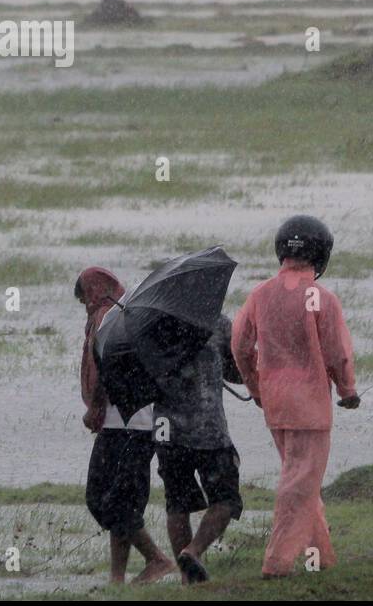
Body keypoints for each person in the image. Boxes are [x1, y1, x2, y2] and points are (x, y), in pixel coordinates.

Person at [231, 215, 359, 579]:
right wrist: (347, 390)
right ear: (321, 254)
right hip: (310, 407)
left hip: (275, 404)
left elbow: (239, 346)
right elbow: (338, 352)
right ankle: (277, 562)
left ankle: (323, 558)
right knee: (299, 485)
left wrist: (256, 388)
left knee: (304, 481)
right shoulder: (322, 298)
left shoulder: (259, 295)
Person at [77, 267, 176, 585]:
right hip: (118, 424)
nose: (86, 307)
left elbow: (106, 370)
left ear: (94, 292)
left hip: (135, 423)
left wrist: (95, 405)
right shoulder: (115, 316)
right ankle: (117, 578)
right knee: (114, 499)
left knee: (111, 499)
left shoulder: (113, 319)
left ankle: (157, 560)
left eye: (84, 300)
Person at [152, 315, 244, 584]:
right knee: (226, 499)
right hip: (209, 429)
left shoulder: (153, 326)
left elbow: (144, 374)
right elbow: (236, 369)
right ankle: (192, 551)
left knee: (177, 502)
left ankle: (186, 577)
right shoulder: (217, 323)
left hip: (165, 429)